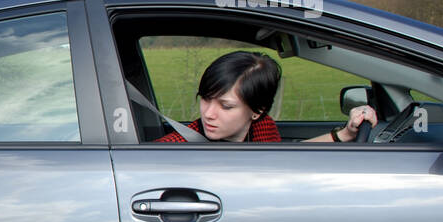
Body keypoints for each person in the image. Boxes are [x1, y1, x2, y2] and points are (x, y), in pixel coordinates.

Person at [154, 50, 376, 143]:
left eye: (226, 106)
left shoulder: (262, 128)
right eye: (205, 99)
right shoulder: (175, 148)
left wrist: (346, 133)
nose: (208, 114)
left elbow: (286, 158)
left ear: (257, 111)